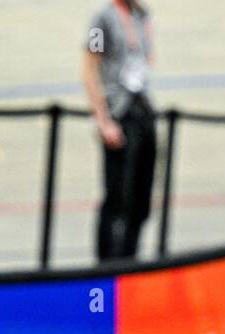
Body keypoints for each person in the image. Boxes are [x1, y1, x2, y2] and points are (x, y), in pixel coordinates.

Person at [81, 0, 157, 261]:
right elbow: (89, 67)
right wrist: (103, 120)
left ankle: (130, 259)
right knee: (117, 198)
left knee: (141, 198)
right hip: (118, 113)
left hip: (143, 110)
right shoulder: (103, 18)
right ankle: (106, 265)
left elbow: (145, 63)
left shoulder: (141, 16)